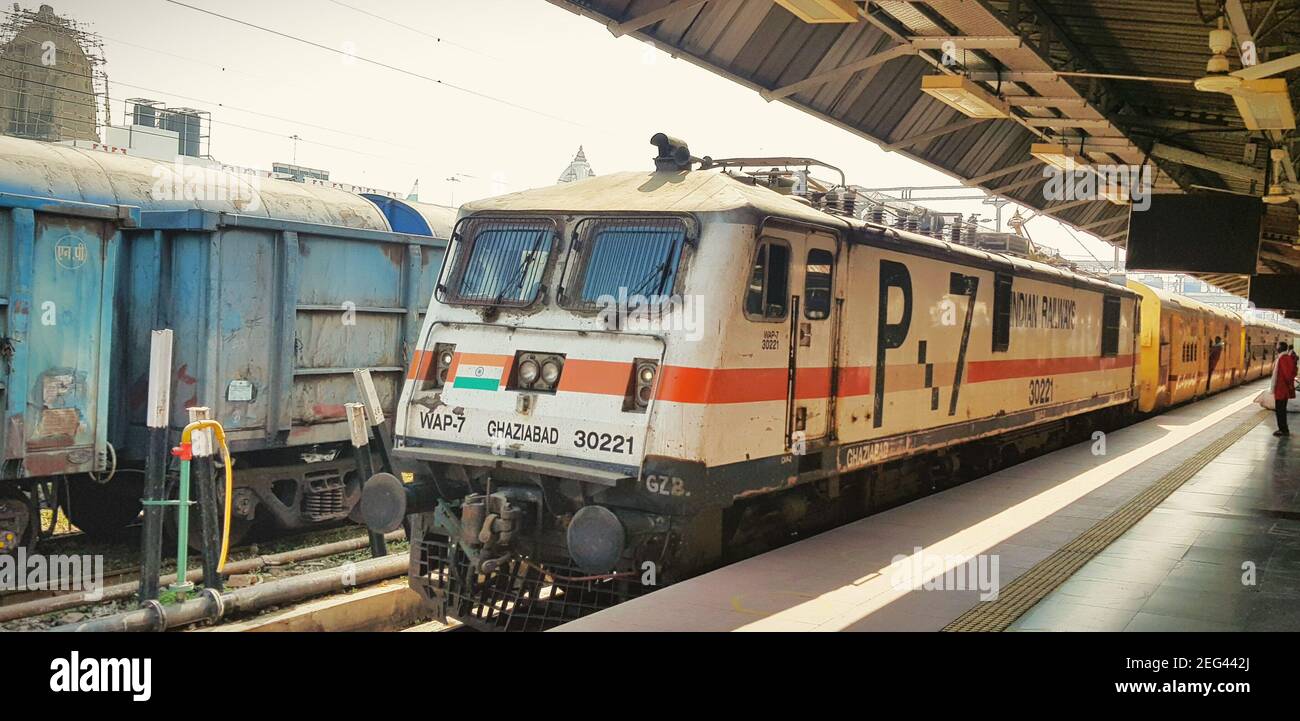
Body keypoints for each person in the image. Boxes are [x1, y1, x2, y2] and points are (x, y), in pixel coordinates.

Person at [1273, 342, 1297, 437]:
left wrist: (1288, 386)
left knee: (1280, 410)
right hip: (1282, 389)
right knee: (1280, 409)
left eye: (1277, 346)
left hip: (1281, 389)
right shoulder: (1285, 358)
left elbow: (1287, 375)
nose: (1276, 347)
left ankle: (1283, 429)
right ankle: (1283, 429)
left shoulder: (1283, 359)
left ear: (1280, 348)